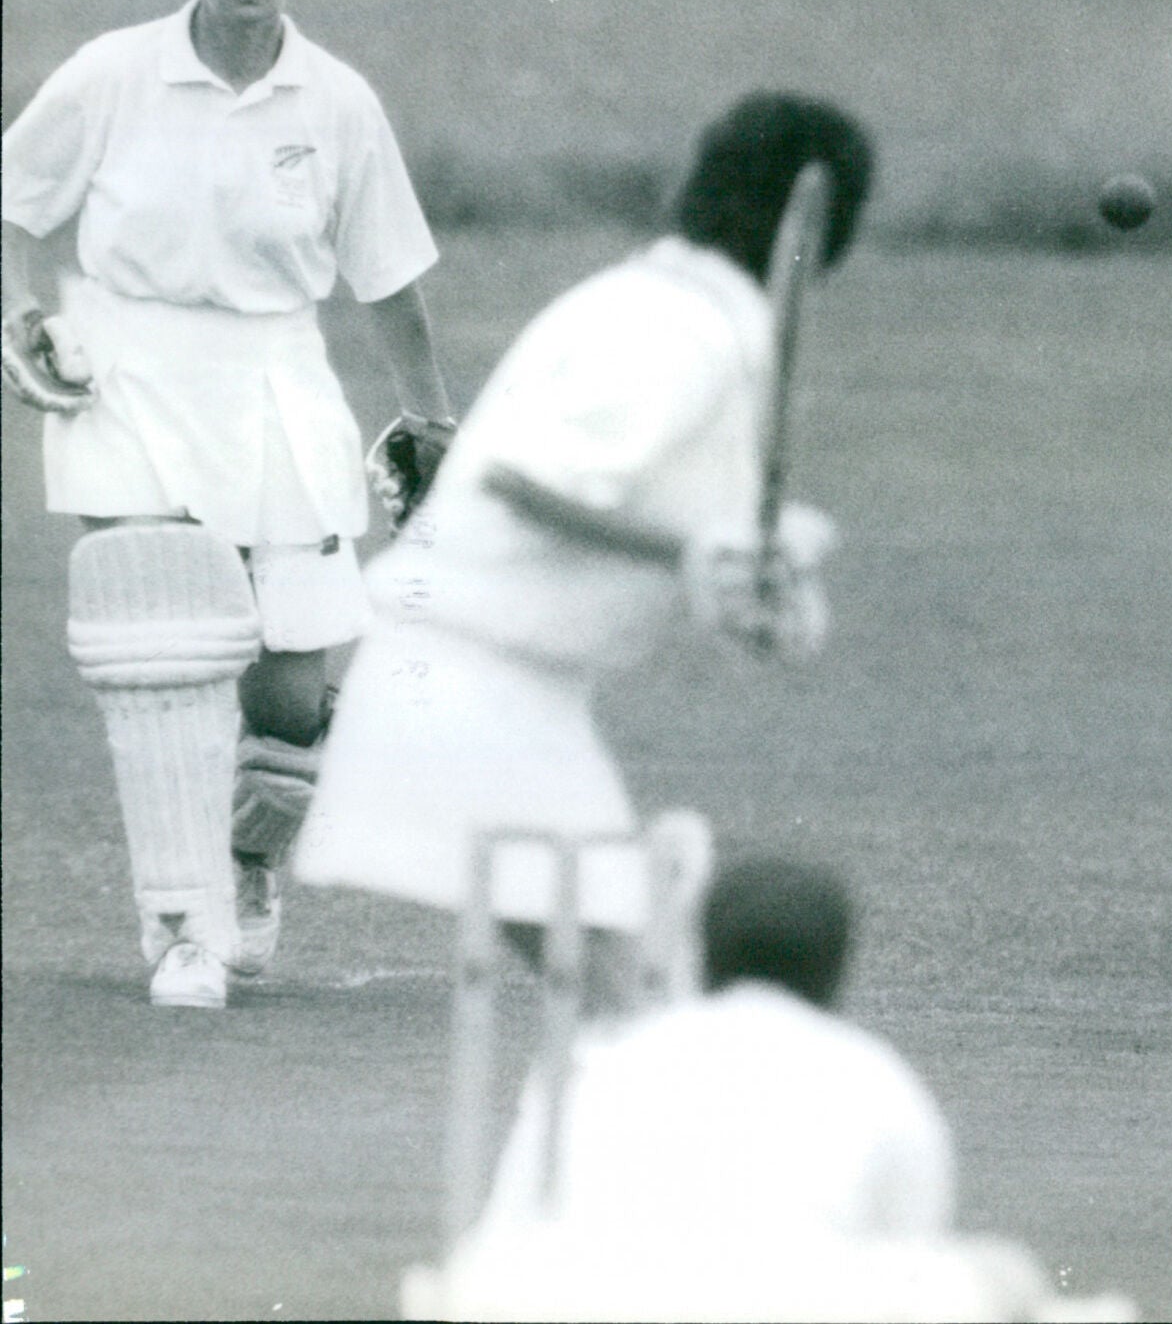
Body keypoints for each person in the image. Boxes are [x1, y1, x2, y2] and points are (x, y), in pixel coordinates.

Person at [0, 0, 455, 1009]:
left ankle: (248, 860)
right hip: (129, 364)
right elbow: (11, 205)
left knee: (289, 684)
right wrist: (26, 320)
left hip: (273, 368)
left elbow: (388, 273)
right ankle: (182, 921)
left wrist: (428, 413)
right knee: (165, 636)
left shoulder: (337, 100)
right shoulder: (114, 73)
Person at [295, 93, 872, 980]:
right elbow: (523, 485)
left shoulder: (677, 311)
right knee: (643, 1000)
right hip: (468, 693)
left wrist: (743, 584)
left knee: (633, 999)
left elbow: (654, 530)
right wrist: (695, 555)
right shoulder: (675, 328)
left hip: (497, 693)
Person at [414, 859, 1133, 1322]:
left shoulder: (605, 1058)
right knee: (1008, 1275)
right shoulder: (871, 1075)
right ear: (837, 969)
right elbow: (909, 1236)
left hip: (577, 1298)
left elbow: (514, 1217)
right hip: (801, 1300)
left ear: (708, 952)